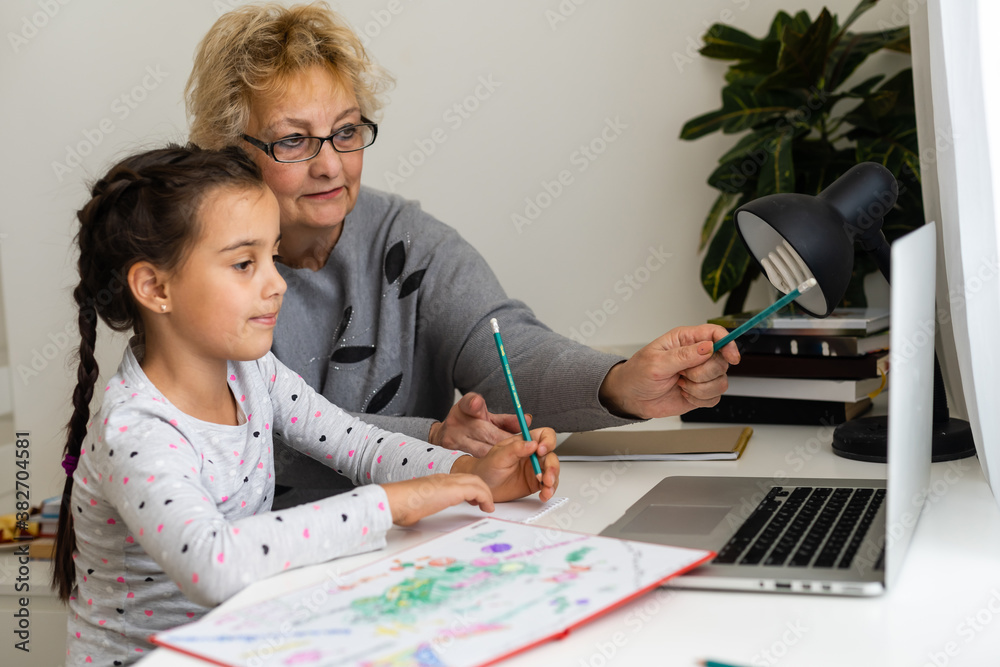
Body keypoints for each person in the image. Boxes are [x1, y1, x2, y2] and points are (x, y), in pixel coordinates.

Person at [185, 2, 739, 507]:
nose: (330, 165)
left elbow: (507, 352)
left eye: (347, 131)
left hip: (406, 553)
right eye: (294, 140)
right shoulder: (198, 265)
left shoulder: (407, 239)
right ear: (233, 150)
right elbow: (247, 431)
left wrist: (619, 382)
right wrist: (433, 441)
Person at [50, 144, 559, 666]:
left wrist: (472, 470)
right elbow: (213, 564)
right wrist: (390, 503)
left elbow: (354, 442)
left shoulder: (251, 372)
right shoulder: (136, 430)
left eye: (272, 257)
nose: (276, 284)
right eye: (244, 264)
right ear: (155, 287)